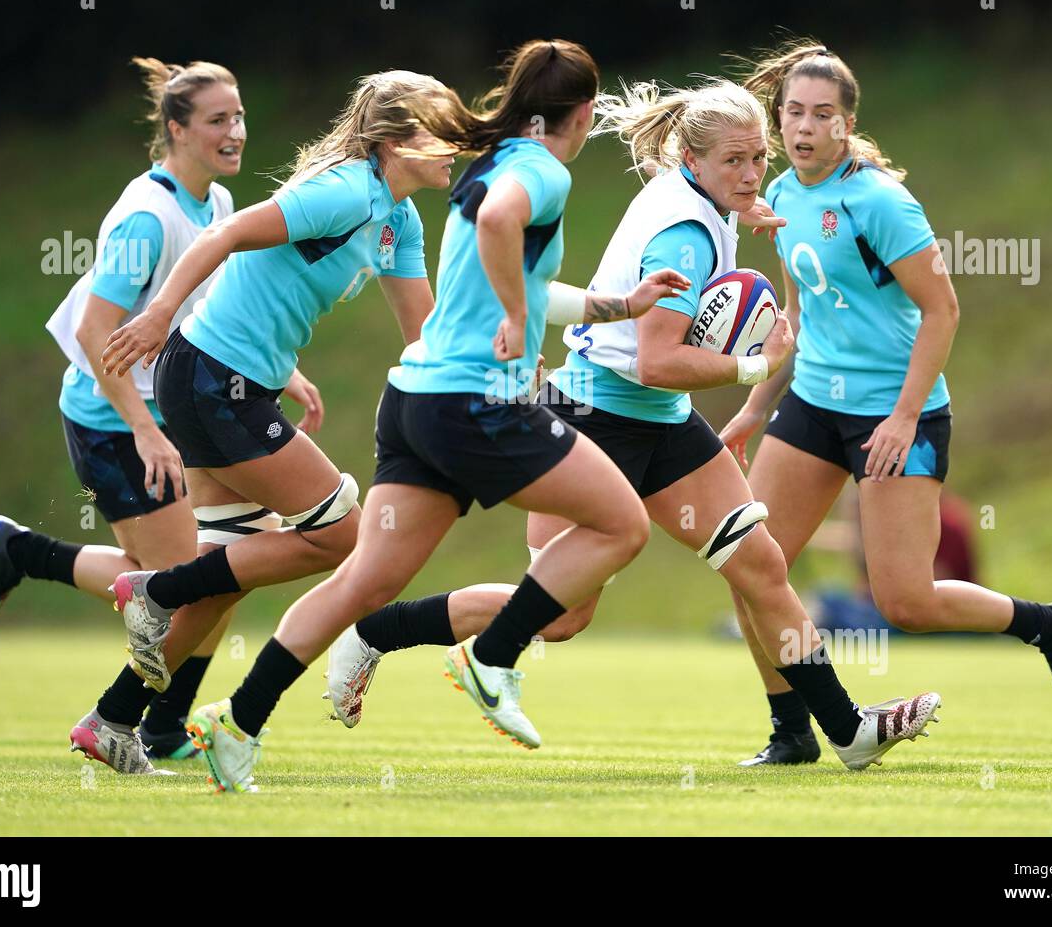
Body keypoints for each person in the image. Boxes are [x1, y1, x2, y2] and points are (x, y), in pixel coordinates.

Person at [326, 77, 944, 778]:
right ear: (695, 158)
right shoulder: (683, 233)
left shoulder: (696, 188)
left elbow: (677, 188)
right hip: (598, 419)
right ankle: (375, 632)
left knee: (761, 565)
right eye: (735, 161)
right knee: (560, 617)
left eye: (758, 159)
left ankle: (841, 730)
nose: (750, 174)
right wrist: (752, 369)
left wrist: (747, 206)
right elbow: (655, 362)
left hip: (664, 426)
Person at [183, 39, 697, 793]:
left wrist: (617, 304)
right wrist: (518, 322)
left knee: (363, 580)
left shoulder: (490, 162)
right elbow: (498, 228)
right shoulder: (540, 171)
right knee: (621, 524)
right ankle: (493, 657)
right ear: (583, 113)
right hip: (475, 405)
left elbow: (507, 265)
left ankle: (237, 724)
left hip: (414, 403)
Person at [69, 68, 461, 774]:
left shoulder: (398, 218)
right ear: (398, 140)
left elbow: (422, 334)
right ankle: (155, 588)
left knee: (225, 576)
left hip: (233, 386)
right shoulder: (346, 190)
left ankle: (113, 717)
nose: (456, 143)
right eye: (443, 128)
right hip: (213, 381)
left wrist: (492, 365)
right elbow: (224, 234)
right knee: (342, 531)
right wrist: (159, 314)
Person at [715, 39, 1052, 766]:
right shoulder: (786, 194)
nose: (803, 127)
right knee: (750, 564)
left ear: (846, 123)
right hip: (813, 406)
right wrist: (753, 409)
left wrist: (902, 415)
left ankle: (1048, 623)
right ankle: (791, 731)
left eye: (821, 114)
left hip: (895, 412)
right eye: (793, 112)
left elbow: (943, 310)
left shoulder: (881, 202)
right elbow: (799, 315)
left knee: (906, 602)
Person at [0, 57, 304, 765]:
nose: (235, 130)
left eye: (238, 116)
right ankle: (23, 554)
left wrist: (288, 373)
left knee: (224, 564)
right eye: (218, 120)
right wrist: (146, 430)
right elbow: (95, 332)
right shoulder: (148, 217)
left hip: (167, 408)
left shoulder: (212, 205)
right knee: (190, 580)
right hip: (112, 416)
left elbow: (202, 309)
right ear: (176, 130)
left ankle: (160, 723)